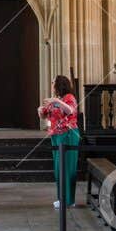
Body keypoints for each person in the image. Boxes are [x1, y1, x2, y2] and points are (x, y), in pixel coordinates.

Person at [38, 75, 80, 209]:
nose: (51, 84)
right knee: (58, 168)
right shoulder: (56, 99)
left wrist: (56, 101)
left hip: (68, 135)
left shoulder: (69, 97)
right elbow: (44, 115)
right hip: (56, 136)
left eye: (53, 82)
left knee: (66, 168)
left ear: (60, 84)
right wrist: (40, 111)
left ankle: (69, 200)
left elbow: (70, 110)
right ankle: (61, 198)